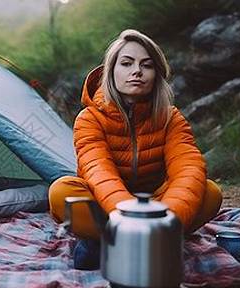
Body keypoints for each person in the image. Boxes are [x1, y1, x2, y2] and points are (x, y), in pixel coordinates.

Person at [48, 29, 223, 269]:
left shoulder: (171, 118)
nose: (137, 71)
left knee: (210, 192)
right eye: (127, 63)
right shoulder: (89, 119)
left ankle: (115, 244)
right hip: (106, 206)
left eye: (147, 65)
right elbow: (98, 172)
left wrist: (162, 221)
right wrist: (131, 218)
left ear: (156, 75)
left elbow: (188, 170)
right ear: (111, 72)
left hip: (157, 206)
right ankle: (141, 244)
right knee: (61, 192)